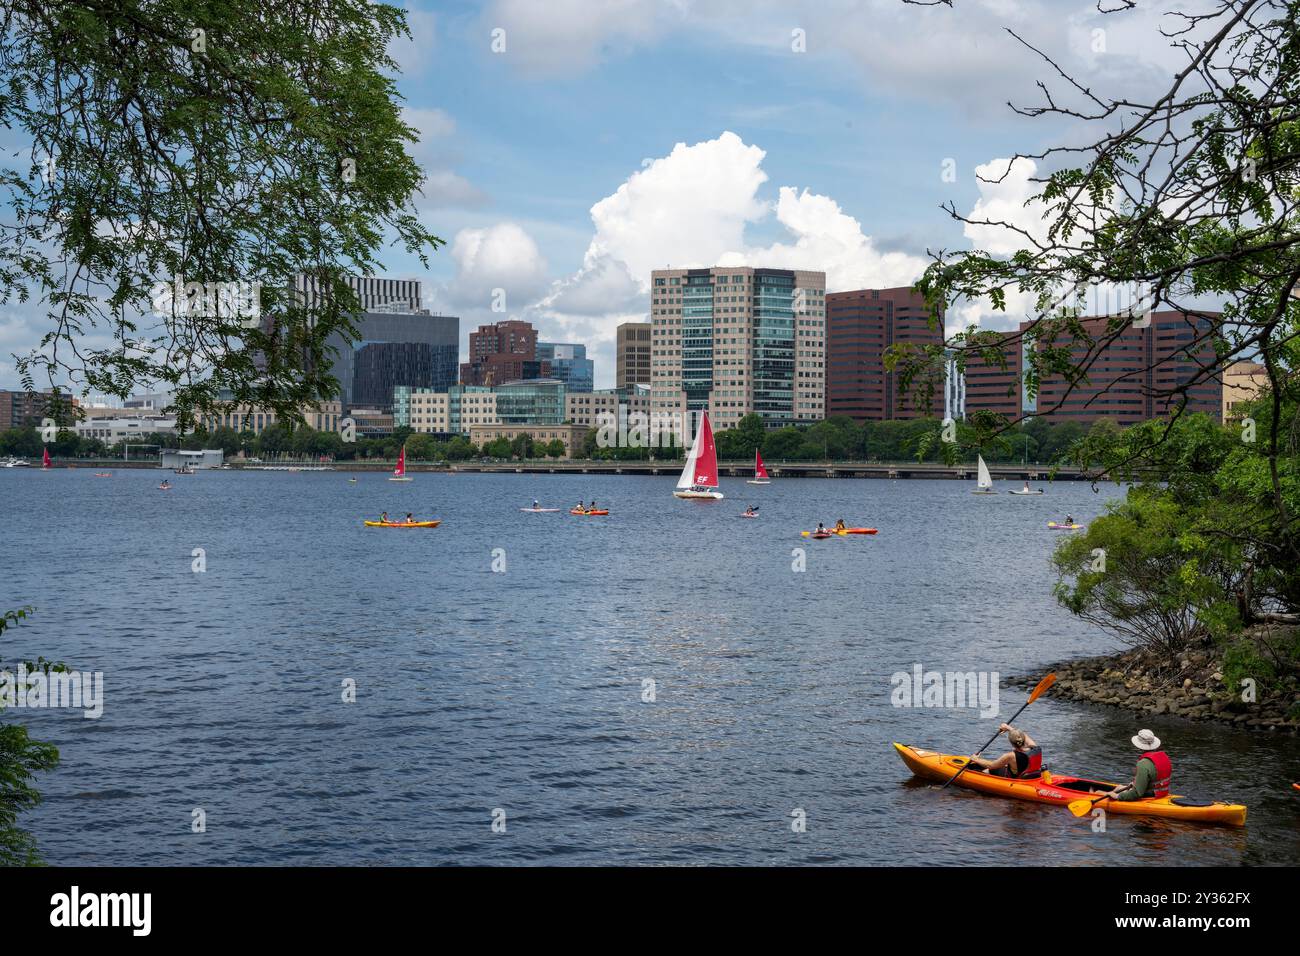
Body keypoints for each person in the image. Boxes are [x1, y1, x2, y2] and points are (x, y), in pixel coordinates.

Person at [1105, 729, 1172, 801]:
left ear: (1139, 746)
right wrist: (1136, 783)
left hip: (1150, 795)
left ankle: (1096, 792)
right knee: (1119, 787)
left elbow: (1136, 794)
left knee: (1099, 792)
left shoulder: (1143, 764)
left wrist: (1117, 796)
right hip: (1162, 793)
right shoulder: (1164, 757)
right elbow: (1155, 779)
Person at [967, 724, 1041, 778]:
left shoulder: (1010, 756)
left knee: (991, 769)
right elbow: (1023, 736)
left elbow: (991, 765)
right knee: (1004, 766)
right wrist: (1008, 728)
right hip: (1033, 775)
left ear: (1011, 743)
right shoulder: (1035, 748)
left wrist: (976, 759)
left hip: (1017, 780)